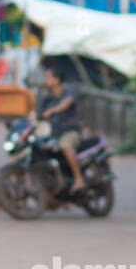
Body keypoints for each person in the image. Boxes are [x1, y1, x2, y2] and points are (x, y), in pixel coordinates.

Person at [37, 65, 86, 194]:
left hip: (70, 132)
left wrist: (53, 110)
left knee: (65, 145)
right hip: (54, 134)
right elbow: (38, 116)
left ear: (56, 80)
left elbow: (66, 104)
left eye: (47, 77)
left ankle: (79, 179)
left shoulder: (69, 91)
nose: (45, 79)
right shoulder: (46, 98)